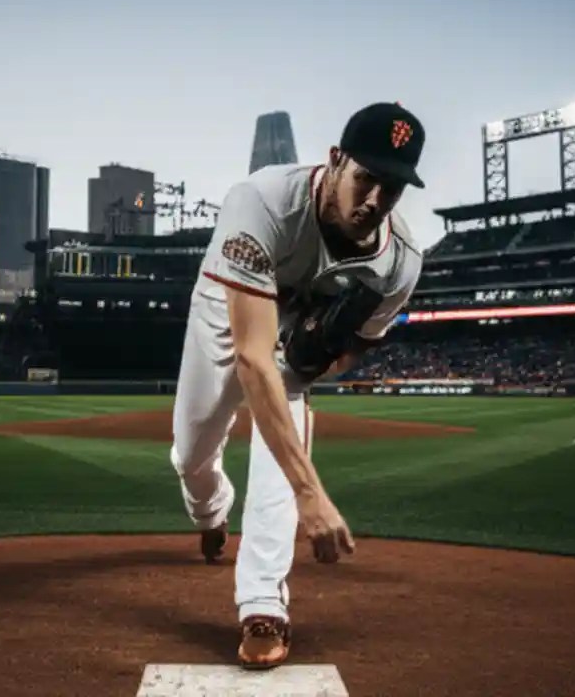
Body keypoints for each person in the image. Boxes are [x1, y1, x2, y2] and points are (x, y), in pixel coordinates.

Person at [168, 102, 427, 669]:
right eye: (365, 179)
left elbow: (355, 347)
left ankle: (263, 605)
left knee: (286, 427)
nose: (375, 202)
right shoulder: (261, 201)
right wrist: (313, 494)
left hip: (293, 327)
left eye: (392, 189)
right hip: (227, 302)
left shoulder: (401, 264)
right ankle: (210, 509)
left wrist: (318, 362)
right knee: (191, 452)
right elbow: (253, 359)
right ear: (335, 161)